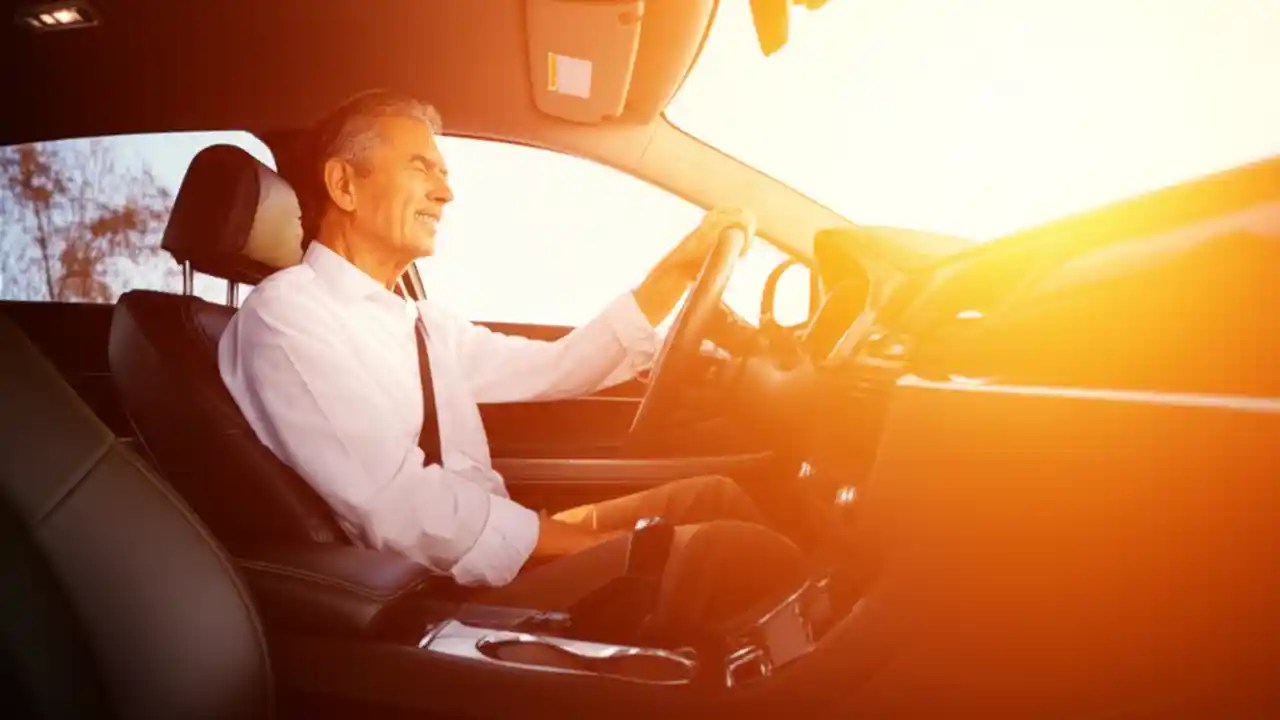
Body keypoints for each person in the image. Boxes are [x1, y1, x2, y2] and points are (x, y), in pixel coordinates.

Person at [219, 90, 806, 633]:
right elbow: (400, 509)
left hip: (491, 546)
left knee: (709, 496)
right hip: (434, 595)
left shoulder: (420, 321)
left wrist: (674, 274)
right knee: (725, 553)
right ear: (344, 184)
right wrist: (585, 547)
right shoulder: (287, 316)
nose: (445, 193)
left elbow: (559, 366)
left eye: (444, 174)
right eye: (421, 168)